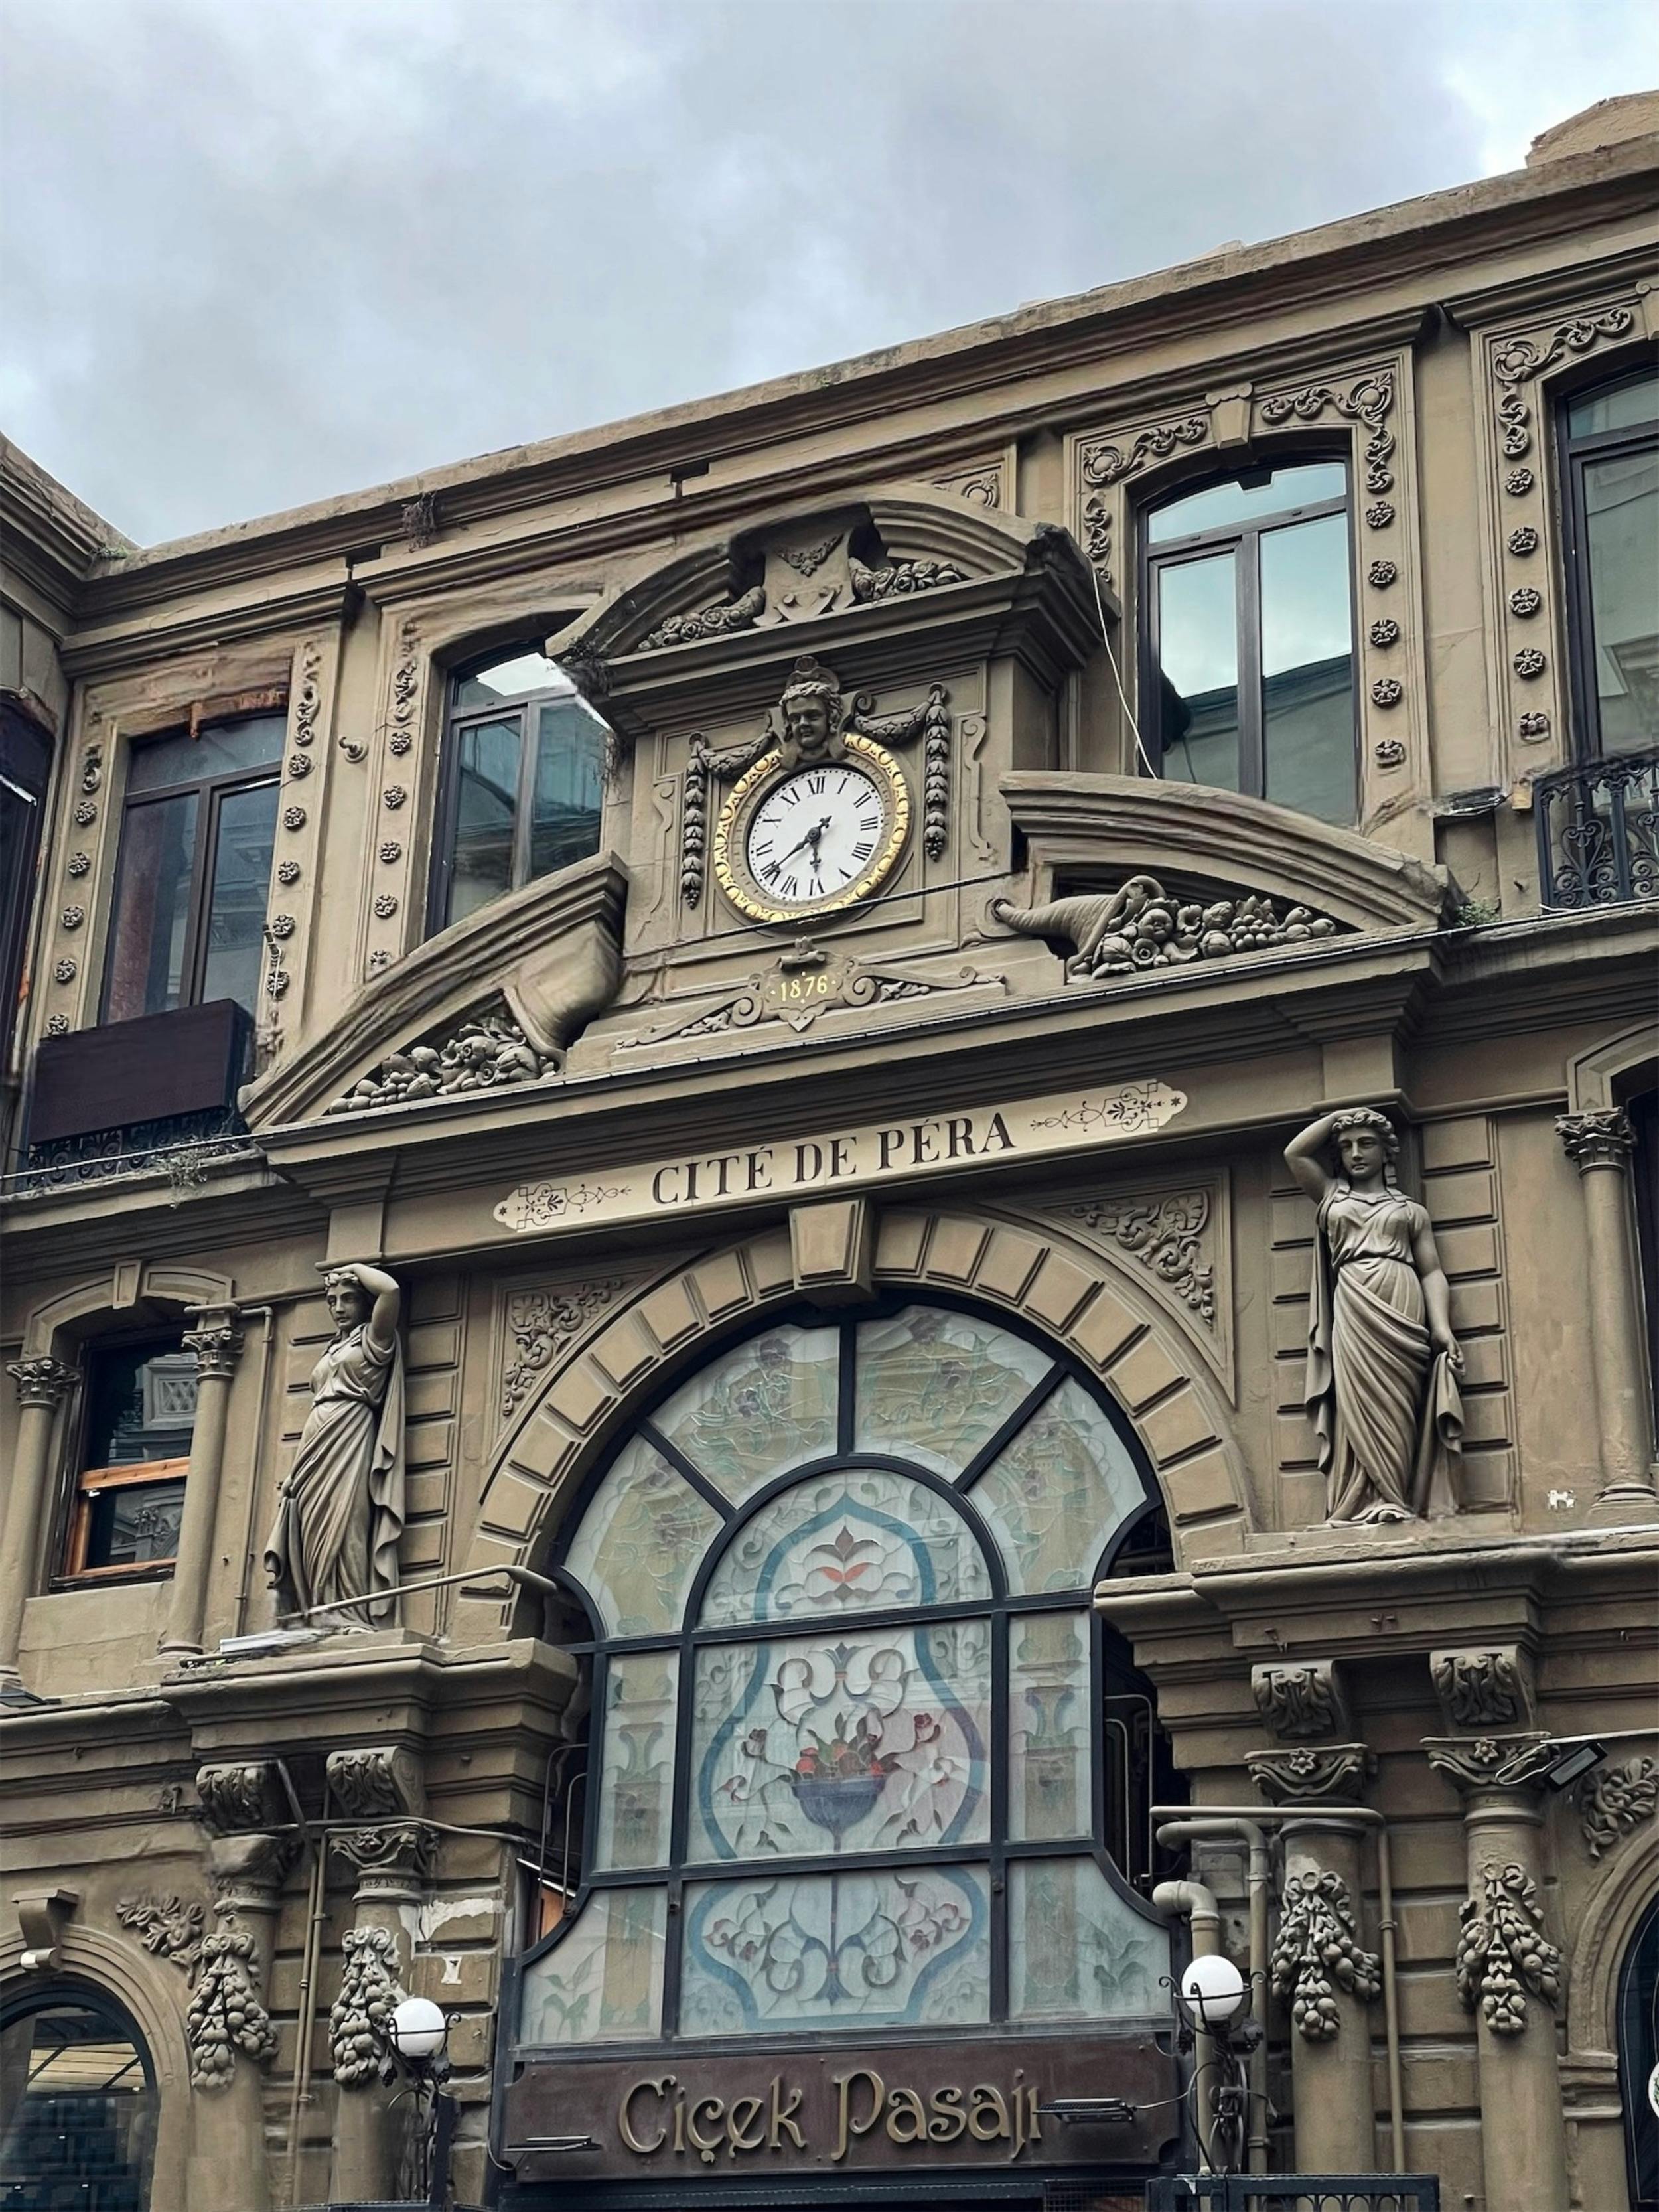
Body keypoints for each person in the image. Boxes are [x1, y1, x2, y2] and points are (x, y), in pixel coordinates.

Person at [1284, 1108, 1463, 1524]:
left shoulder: (1410, 1211)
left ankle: (1394, 1496)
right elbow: (1295, 1154)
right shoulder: (1332, 1196)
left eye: (1367, 1144)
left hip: (1401, 1301)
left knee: (1398, 1402)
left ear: (1386, 1152)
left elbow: (1432, 1271)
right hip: (1353, 1304)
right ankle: (1361, 1497)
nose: (1356, 1154)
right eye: (1346, 1147)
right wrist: (1339, 1114)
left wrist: (1441, 1327)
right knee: (1357, 1401)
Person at [265, 1262, 405, 1626]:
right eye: (332, 1301)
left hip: (351, 1431)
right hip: (316, 1438)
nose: (339, 1308)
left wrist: (352, 1264)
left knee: (348, 1520)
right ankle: (320, 1610)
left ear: (364, 1303)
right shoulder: (332, 1348)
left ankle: (348, 1611)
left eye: (348, 1299)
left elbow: (390, 1290)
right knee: (312, 1526)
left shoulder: (374, 1338)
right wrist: (295, 1473)